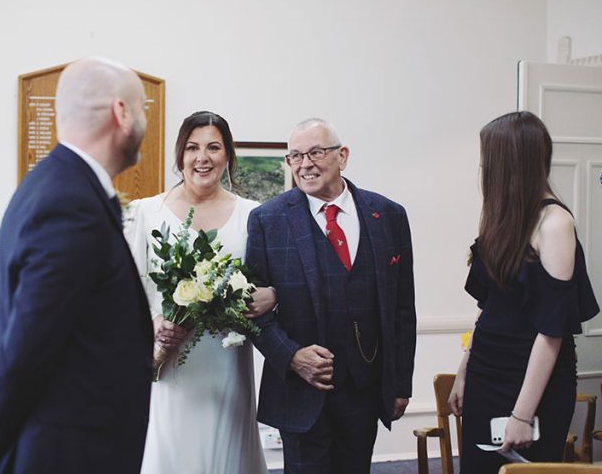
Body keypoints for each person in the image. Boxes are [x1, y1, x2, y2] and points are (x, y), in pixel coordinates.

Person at [0, 57, 154, 474]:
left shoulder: (58, 185)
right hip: (69, 453)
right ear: (121, 112)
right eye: (142, 108)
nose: (145, 122)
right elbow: (25, 344)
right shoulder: (70, 202)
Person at [245, 118, 416, 474]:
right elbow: (251, 310)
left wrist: (400, 383)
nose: (305, 164)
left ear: (343, 156)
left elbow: (402, 308)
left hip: (364, 391)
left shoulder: (388, 215)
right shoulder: (267, 219)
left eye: (316, 152)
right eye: (295, 156)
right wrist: (292, 356)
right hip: (300, 393)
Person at [124, 110, 275, 474]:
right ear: (180, 156)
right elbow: (125, 288)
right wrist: (156, 321)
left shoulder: (253, 216)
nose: (202, 157)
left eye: (213, 147)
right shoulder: (145, 212)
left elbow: (273, 281)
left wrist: (273, 295)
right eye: (192, 148)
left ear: (227, 156)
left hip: (227, 364)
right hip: (169, 362)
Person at [448, 111, 599, 472]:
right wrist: (464, 371)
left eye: (489, 161)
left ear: (511, 164)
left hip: (532, 384)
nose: (484, 170)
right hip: (486, 372)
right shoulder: (505, 219)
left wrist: (521, 413)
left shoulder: (555, 224)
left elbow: (552, 330)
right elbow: (490, 309)